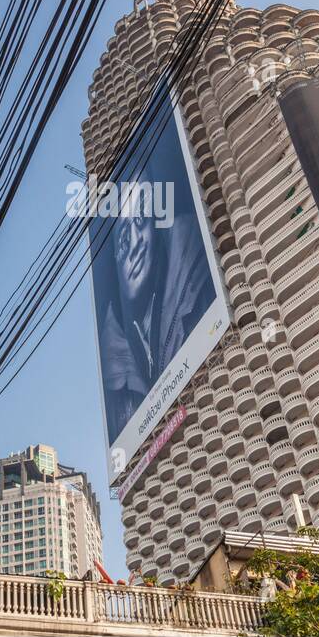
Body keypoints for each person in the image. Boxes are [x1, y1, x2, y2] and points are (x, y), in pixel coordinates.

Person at [98, 171, 216, 444]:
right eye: (123, 238)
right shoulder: (113, 365)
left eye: (141, 219)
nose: (136, 243)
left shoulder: (198, 275)